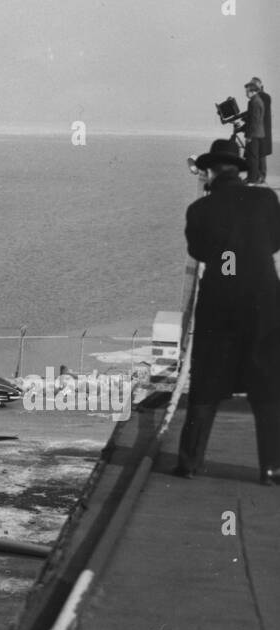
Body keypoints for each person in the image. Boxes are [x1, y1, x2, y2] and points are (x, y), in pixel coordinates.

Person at [175, 138, 280, 482]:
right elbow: (277, 240)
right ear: (238, 168)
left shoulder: (199, 209)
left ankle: (190, 463)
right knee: (268, 389)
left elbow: (200, 251)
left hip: (219, 302)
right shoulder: (267, 199)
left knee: (205, 385)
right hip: (264, 304)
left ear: (210, 171)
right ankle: (272, 469)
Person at [244, 79, 267, 185]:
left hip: (254, 134)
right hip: (257, 133)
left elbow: (254, 121)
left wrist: (249, 136)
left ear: (252, 91)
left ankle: (252, 179)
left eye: (247, 91)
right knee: (252, 157)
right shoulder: (255, 100)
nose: (246, 93)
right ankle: (251, 177)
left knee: (252, 158)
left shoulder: (255, 102)